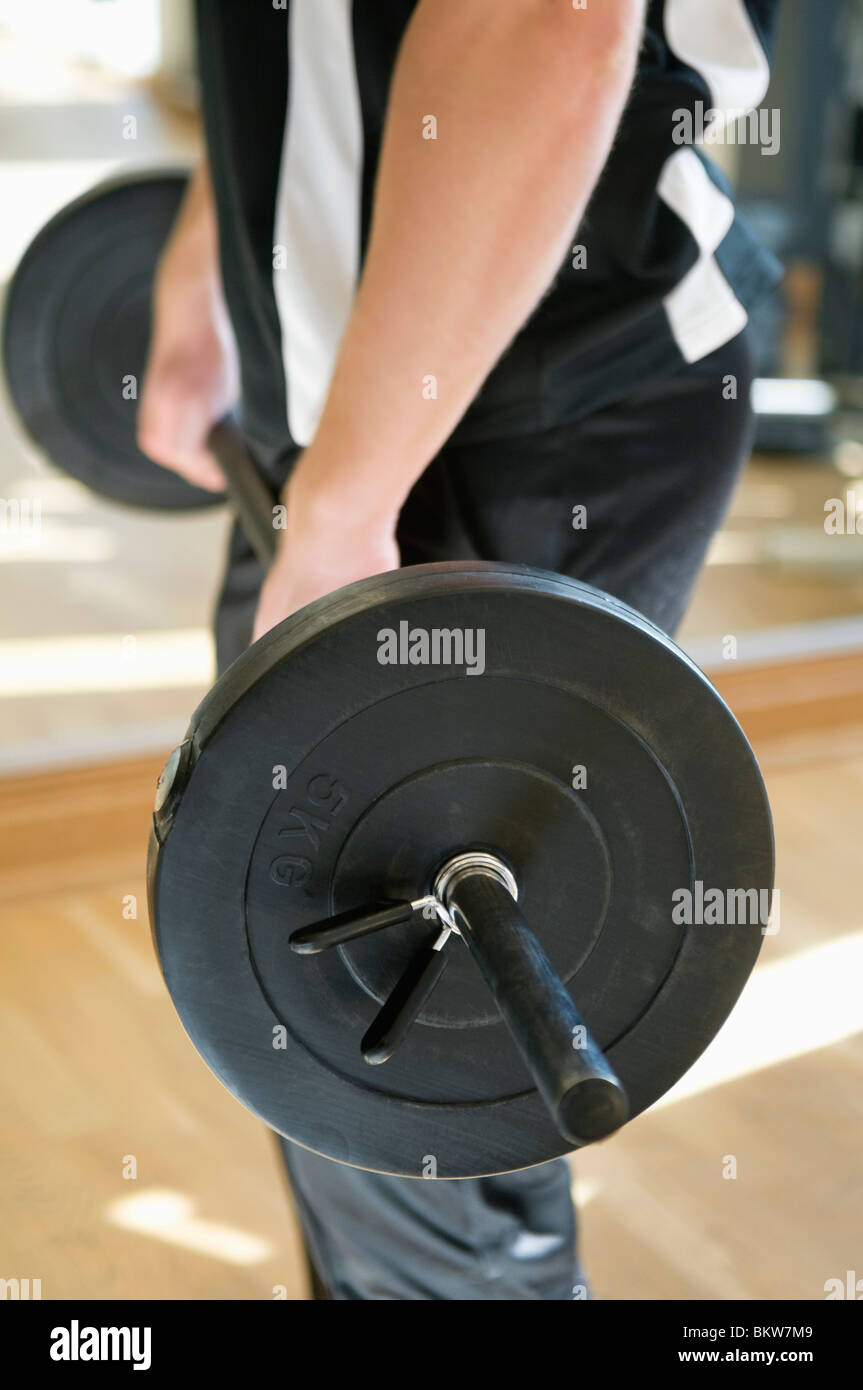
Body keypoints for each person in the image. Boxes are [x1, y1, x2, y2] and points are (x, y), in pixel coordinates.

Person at [138, 0, 782, 1300]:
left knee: (422, 1109)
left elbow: (550, 14)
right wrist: (230, 247)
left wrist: (345, 501)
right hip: (343, 418)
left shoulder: (364, 484)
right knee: (324, 1052)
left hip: (514, 396)